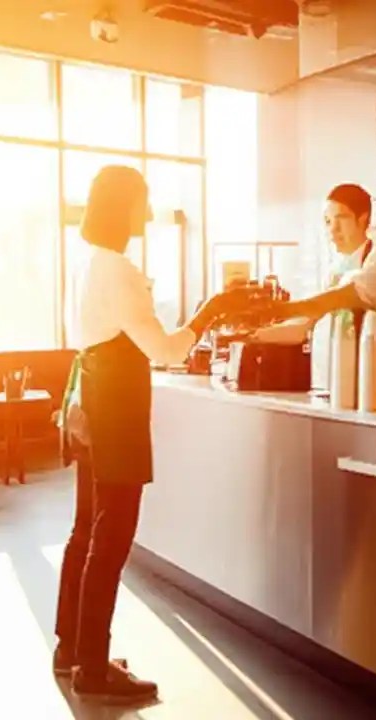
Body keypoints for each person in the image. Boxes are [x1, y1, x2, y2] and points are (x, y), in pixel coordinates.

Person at [53, 165, 248, 705]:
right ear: (123, 205)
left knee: (84, 532)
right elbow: (167, 351)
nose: (150, 210)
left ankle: (71, 650)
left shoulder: (87, 263)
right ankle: (94, 668)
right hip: (116, 410)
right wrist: (212, 310)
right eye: (144, 200)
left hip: (92, 401)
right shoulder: (118, 268)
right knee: (110, 539)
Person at [256, 184, 376, 384]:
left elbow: (338, 298)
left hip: (370, 386)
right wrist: (253, 335)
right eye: (328, 222)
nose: (333, 230)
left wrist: (276, 309)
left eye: (341, 219)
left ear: (362, 219)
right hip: (329, 385)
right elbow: (305, 324)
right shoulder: (334, 270)